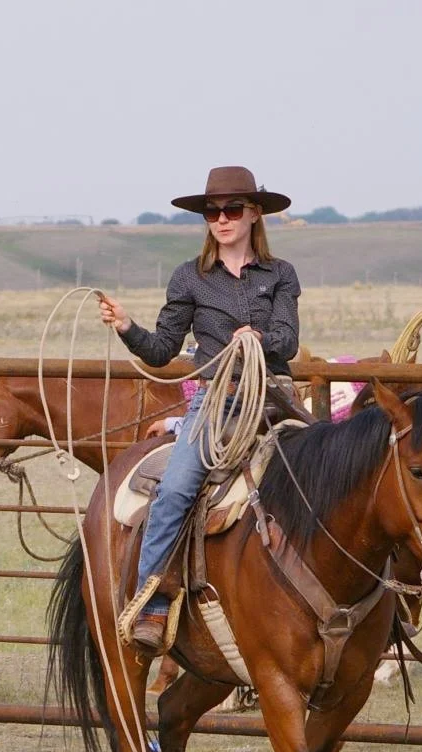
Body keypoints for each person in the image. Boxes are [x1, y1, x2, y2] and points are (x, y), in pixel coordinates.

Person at [98, 166, 301, 655]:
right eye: (213, 212)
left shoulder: (280, 274)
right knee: (174, 490)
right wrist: (127, 327)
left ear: (254, 214)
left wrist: (258, 339)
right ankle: (152, 601)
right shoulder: (189, 277)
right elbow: (162, 349)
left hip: (273, 399)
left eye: (233, 209)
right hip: (216, 404)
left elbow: (288, 340)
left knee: (331, 475)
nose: (222, 219)